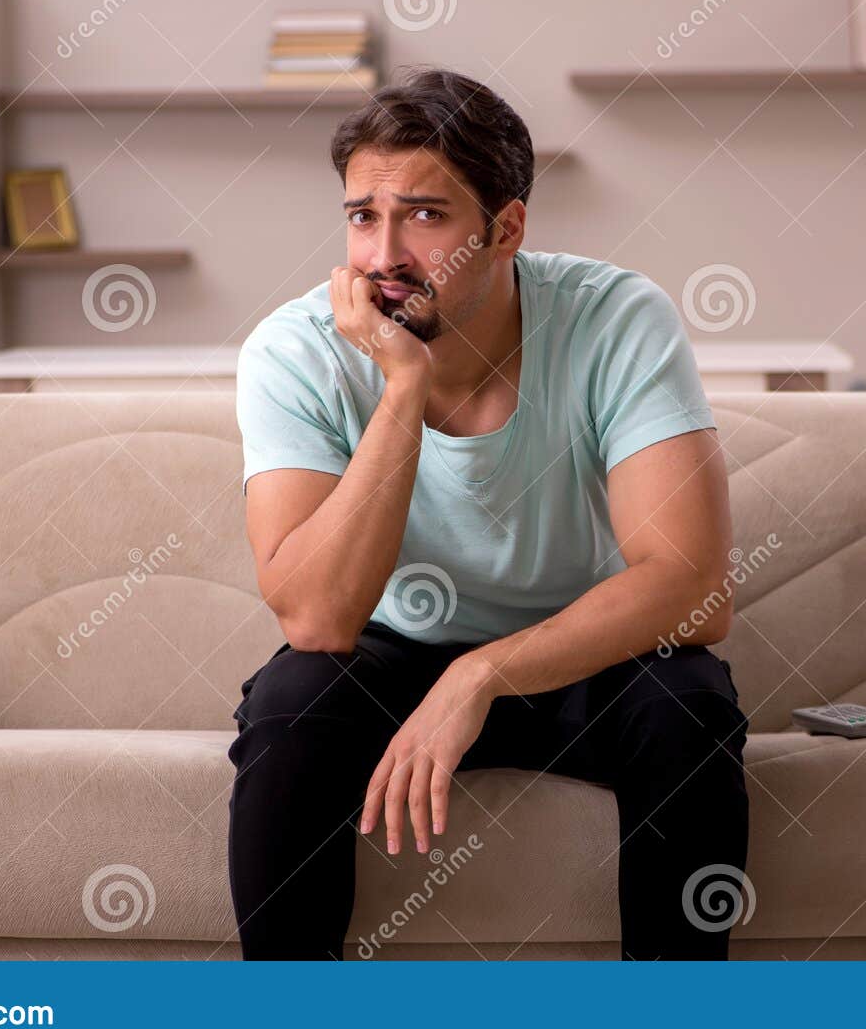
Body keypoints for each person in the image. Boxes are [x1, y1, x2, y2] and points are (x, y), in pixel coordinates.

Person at [226, 66, 748, 960]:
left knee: (687, 703)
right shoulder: (294, 350)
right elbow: (315, 615)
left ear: (505, 228)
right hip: (386, 654)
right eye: (362, 217)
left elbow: (695, 587)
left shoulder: (616, 319)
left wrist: (476, 678)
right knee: (289, 705)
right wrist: (402, 388)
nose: (384, 254)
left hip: (587, 648)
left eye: (425, 216)